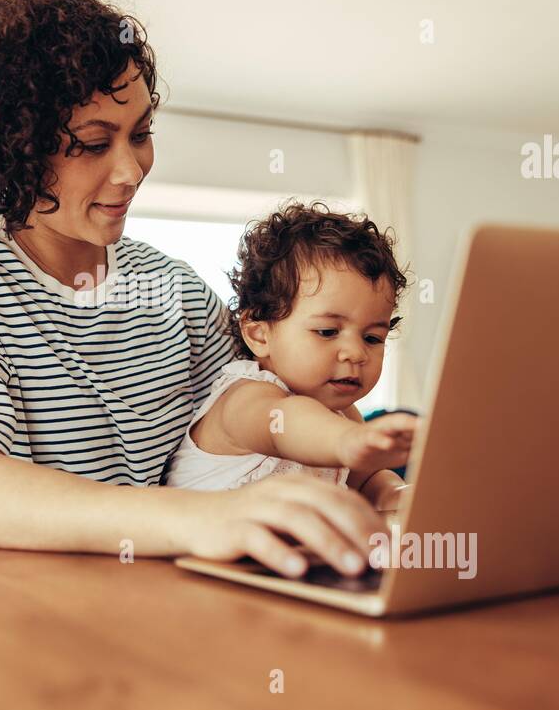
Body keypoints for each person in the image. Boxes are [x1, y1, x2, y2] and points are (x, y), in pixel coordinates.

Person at [0, 0, 385, 580]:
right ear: (13, 149)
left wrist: (379, 487)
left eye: (141, 134)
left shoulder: (179, 293)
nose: (131, 170)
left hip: (145, 608)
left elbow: (290, 404)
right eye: (93, 144)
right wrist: (203, 519)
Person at [164, 202, 416, 511]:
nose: (356, 353)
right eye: (327, 331)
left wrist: (396, 493)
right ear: (260, 335)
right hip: (191, 552)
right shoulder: (246, 397)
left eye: (372, 338)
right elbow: (285, 426)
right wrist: (348, 441)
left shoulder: (345, 415)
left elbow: (365, 480)